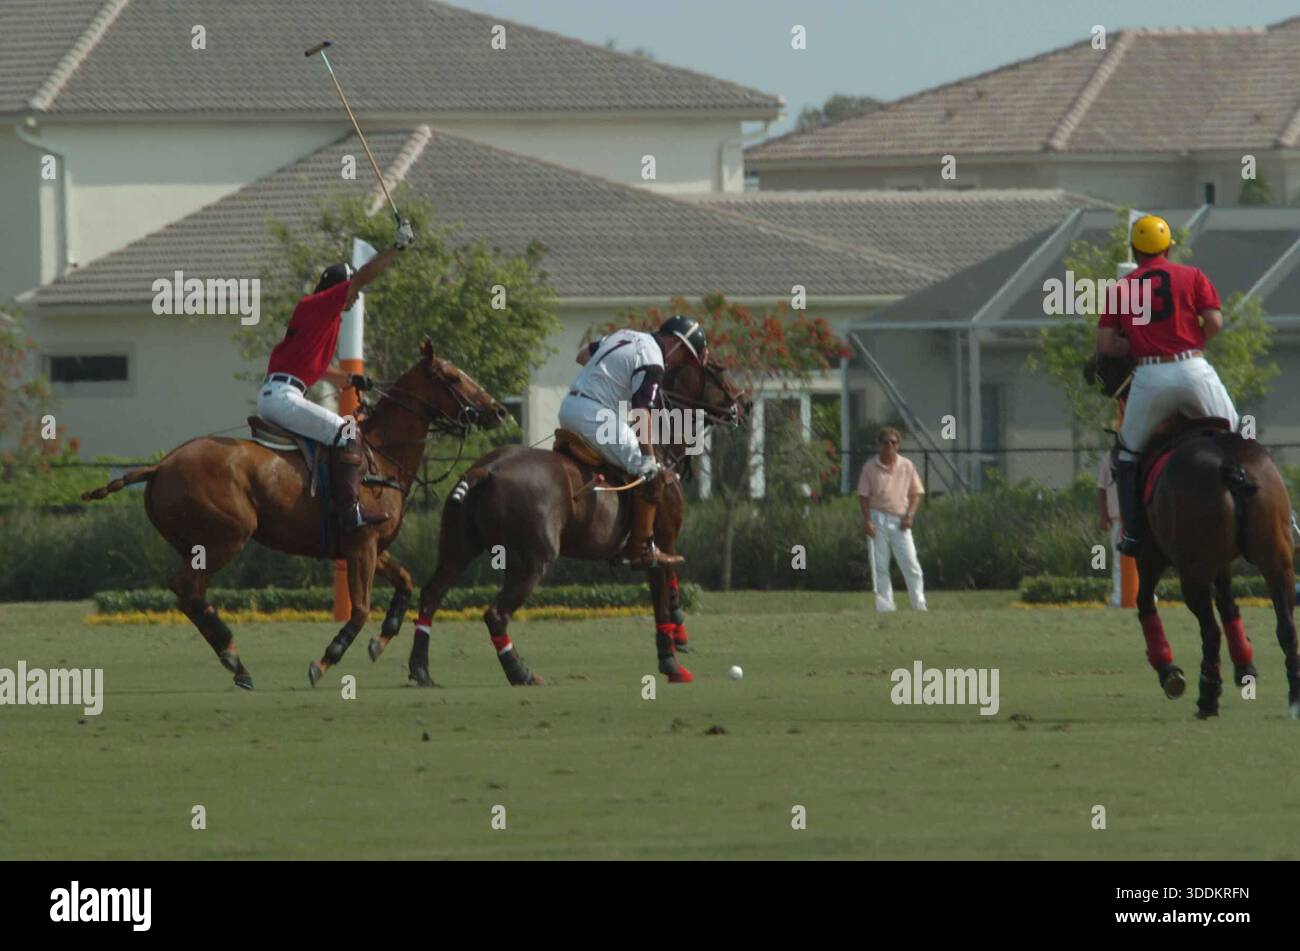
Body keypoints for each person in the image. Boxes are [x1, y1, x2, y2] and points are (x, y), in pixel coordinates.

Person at [257, 217, 415, 533]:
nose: (354, 297)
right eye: (350, 290)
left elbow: (316, 370)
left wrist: (352, 379)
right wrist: (396, 247)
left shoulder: (322, 321)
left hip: (280, 393)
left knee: (342, 433)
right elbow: (366, 277)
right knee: (347, 433)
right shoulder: (320, 303)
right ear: (337, 288)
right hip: (283, 398)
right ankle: (350, 511)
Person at [1096, 214, 1238, 555]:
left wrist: (1137, 345)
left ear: (1134, 249)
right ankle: (1269, 515)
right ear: (1169, 248)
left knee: (1127, 454)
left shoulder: (1122, 288)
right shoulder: (1192, 276)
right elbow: (1215, 321)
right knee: (1239, 437)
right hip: (1193, 368)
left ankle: (1131, 534)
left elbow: (1105, 345)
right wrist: (1192, 342)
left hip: (1150, 376)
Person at [558, 315, 708, 568]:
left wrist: (610, 379)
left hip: (569, 407)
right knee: (650, 471)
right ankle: (641, 548)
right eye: (684, 356)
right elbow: (641, 413)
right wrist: (649, 457)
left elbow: (583, 355)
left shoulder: (623, 335)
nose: (680, 363)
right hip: (595, 416)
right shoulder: (653, 361)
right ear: (674, 342)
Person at [856, 427, 927, 612]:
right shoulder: (870, 467)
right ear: (879, 445)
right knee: (880, 566)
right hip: (877, 517)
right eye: (885, 442)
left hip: (900, 521)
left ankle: (919, 604)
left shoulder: (907, 466)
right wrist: (867, 521)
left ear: (898, 445)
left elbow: (915, 494)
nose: (889, 446)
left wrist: (909, 516)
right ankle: (886, 606)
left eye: (893, 442)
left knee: (911, 564)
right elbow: (863, 496)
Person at [1097, 454, 1122, 608]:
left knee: (1142, 560)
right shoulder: (1107, 458)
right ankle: (1118, 597)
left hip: (1136, 520)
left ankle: (1145, 595)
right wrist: (1103, 516)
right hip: (1117, 519)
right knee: (1118, 561)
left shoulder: (1138, 454)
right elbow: (1101, 488)